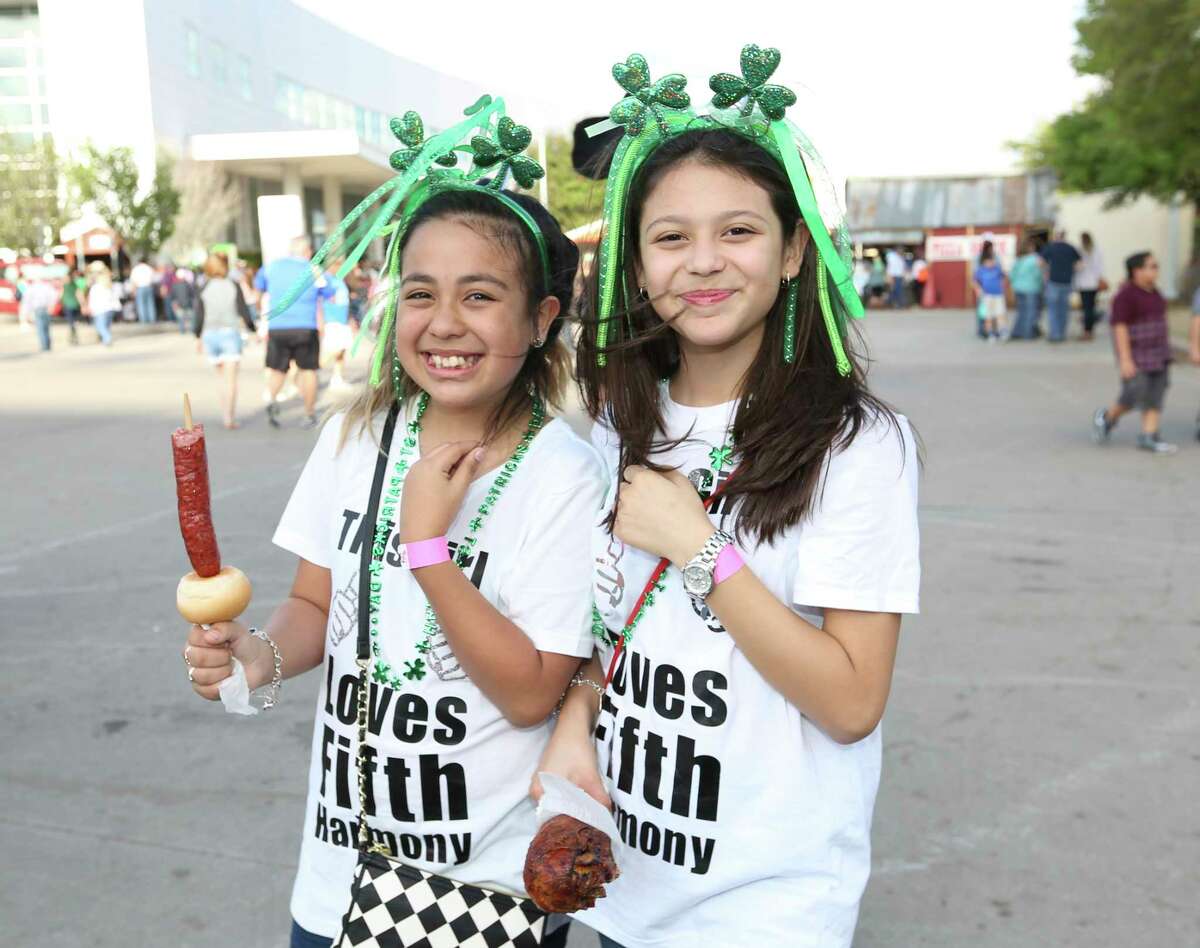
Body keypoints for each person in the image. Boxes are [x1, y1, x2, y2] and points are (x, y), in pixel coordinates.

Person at [180, 102, 603, 948]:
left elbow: (531, 693)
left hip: (482, 889)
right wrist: (255, 658)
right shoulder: (358, 435)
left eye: (480, 296)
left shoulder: (567, 474)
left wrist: (428, 549)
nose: (444, 323)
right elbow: (315, 604)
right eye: (420, 294)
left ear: (544, 318)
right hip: (336, 874)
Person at [541, 48, 920, 948]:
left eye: (739, 232)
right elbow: (611, 629)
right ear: (635, 264)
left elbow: (852, 699)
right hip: (628, 881)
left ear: (794, 250)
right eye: (671, 238)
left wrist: (701, 550)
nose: (702, 263)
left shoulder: (858, 443)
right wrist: (575, 719)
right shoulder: (613, 421)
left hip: (767, 902)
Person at [1092, 252, 1175, 453]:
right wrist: (1126, 359)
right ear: (1137, 270)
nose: (1156, 270)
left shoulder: (1156, 293)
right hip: (1138, 355)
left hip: (1159, 354)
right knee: (1134, 394)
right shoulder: (1126, 296)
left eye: (1156, 266)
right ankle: (1107, 417)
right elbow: (1119, 327)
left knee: (1156, 392)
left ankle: (1148, 435)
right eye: (1152, 266)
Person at [254, 236, 335, 429]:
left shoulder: (272, 266)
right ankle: (309, 413)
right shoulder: (313, 269)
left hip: (278, 326)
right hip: (305, 327)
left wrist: (263, 312)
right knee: (308, 370)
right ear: (308, 251)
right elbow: (330, 293)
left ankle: (272, 399)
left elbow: (258, 290)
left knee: (278, 369)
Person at [194, 253, 257, 429]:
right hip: (229, 333)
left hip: (210, 334)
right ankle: (230, 417)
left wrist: (198, 336)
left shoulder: (204, 287)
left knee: (221, 378)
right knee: (231, 379)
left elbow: (199, 314)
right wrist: (252, 329)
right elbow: (243, 310)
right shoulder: (233, 285)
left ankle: (224, 415)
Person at [319, 258, 356, 389]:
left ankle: (337, 378)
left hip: (342, 319)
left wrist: (350, 319)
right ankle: (314, 369)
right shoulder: (326, 279)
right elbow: (320, 299)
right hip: (331, 319)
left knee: (342, 350)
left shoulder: (339, 279)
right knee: (334, 349)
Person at [1040, 230, 1080, 342]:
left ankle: (1055, 334)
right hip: (1067, 282)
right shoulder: (1071, 248)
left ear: (1055, 236)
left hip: (1053, 281)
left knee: (1053, 309)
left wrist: (1046, 272)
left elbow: (1040, 262)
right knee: (1064, 309)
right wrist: (1071, 271)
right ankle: (1062, 333)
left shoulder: (1050, 247)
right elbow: (1079, 264)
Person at [1008, 239, 1043, 339]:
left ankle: (1017, 332)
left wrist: (1014, 285)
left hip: (1018, 289)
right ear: (1031, 248)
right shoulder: (1035, 259)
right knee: (1031, 312)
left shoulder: (1018, 259)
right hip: (1032, 288)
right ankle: (1028, 333)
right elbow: (1038, 274)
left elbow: (1012, 275)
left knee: (1021, 311)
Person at [973, 246, 1008, 341]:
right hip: (987, 296)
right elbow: (975, 281)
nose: (991, 263)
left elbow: (1004, 277)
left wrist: (1003, 286)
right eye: (988, 261)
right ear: (984, 262)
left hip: (998, 295)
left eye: (992, 261)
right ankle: (989, 333)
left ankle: (1002, 331)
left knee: (999, 313)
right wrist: (978, 290)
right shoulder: (981, 270)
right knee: (988, 315)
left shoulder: (997, 269)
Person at [1075, 231, 1106, 340]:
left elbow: (1078, 267)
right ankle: (1090, 330)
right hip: (1093, 283)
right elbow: (1099, 267)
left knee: (1086, 308)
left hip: (1084, 284)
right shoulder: (1097, 250)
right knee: (1091, 307)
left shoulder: (1080, 251)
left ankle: (1087, 332)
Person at [85, 267, 120, 346]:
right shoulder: (109, 286)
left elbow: (92, 299)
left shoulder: (96, 287)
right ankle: (105, 339)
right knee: (106, 326)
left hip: (100, 309)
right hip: (110, 308)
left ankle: (107, 338)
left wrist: (90, 308)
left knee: (100, 326)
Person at [26, 274, 59, 352]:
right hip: (46, 308)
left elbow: (27, 301)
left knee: (40, 328)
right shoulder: (47, 287)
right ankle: (47, 344)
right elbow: (54, 296)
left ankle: (44, 346)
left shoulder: (32, 288)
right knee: (46, 327)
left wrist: (27, 312)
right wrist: (52, 306)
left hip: (38, 309)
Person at [60, 268, 85, 345]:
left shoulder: (65, 284)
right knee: (73, 321)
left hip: (68, 305)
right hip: (74, 304)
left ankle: (73, 336)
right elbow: (79, 295)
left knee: (71, 322)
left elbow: (60, 294)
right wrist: (83, 304)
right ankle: (73, 336)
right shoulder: (74, 284)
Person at [170, 266, 198, 335]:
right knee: (191, 318)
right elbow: (193, 295)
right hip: (188, 304)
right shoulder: (188, 284)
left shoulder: (174, 285)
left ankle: (182, 331)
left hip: (180, 304)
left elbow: (173, 297)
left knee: (181, 319)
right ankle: (192, 330)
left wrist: (174, 304)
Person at [130, 257, 157, 324]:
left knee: (141, 304)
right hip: (149, 287)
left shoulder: (136, 269)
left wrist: (133, 291)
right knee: (150, 304)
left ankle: (144, 320)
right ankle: (152, 319)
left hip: (140, 288)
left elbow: (133, 281)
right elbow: (154, 279)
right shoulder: (149, 268)